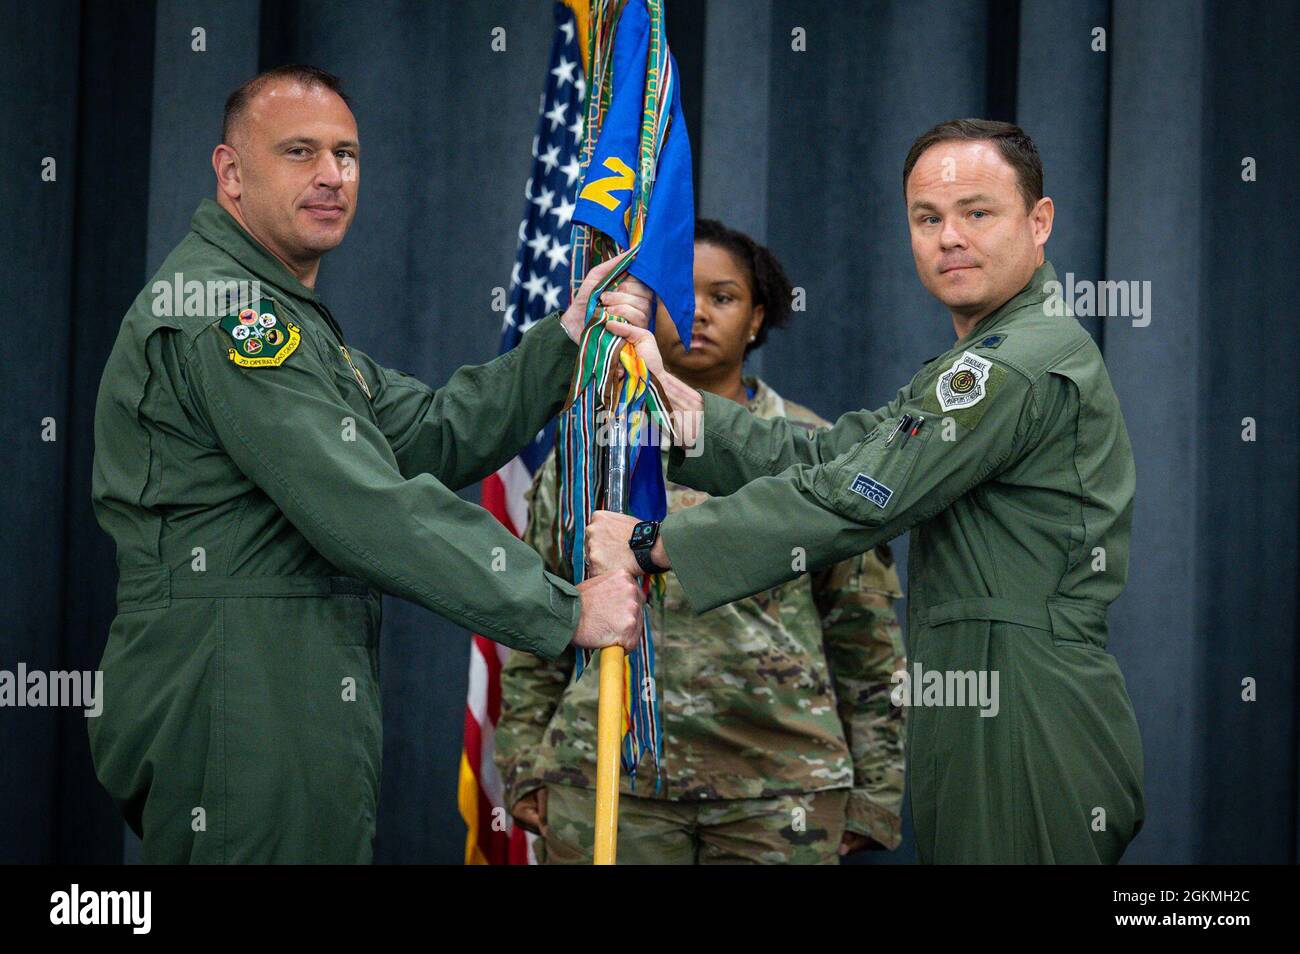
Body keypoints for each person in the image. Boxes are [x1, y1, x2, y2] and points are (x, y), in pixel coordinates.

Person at [89, 64, 653, 863]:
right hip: (238, 685)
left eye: (346, 155)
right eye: (299, 152)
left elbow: (429, 431)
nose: (331, 176)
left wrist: (563, 341)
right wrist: (561, 611)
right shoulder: (227, 314)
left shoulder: (281, 313)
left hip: (277, 678)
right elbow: (364, 507)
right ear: (230, 172)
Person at [588, 119, 1146, 864]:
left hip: (1020, 706)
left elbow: (859, 494)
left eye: (978, 212)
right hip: (987, 692)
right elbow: (840, 452)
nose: (950, 237)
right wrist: (686, 422)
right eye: (928, 217)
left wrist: (654, 543)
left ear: (1038, 222)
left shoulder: (1015, 363)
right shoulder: (988, 352)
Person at [496, 220, 907, 864]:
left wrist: (876, 792)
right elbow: (533, 605)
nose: (698, 314)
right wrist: (524, 761)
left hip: (779, 789)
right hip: (606, 777)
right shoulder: (587, 447)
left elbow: (867, 636)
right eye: (678, 295)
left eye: (723, 297)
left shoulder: (812, 450)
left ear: (756, 316)